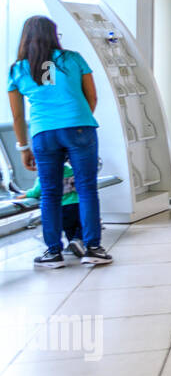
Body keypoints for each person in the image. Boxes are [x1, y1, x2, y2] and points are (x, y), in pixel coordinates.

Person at [6, 15, 112, 268]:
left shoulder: (18, 69)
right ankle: (93, 249)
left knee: (50, 194)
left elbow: (18, 116)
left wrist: (23, 148)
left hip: (44, 134)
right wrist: (78, 121)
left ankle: (52, 252)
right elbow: (92, 97)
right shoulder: (72, 59)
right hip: (79, 128)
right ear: (54, 35)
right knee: (86, 189)